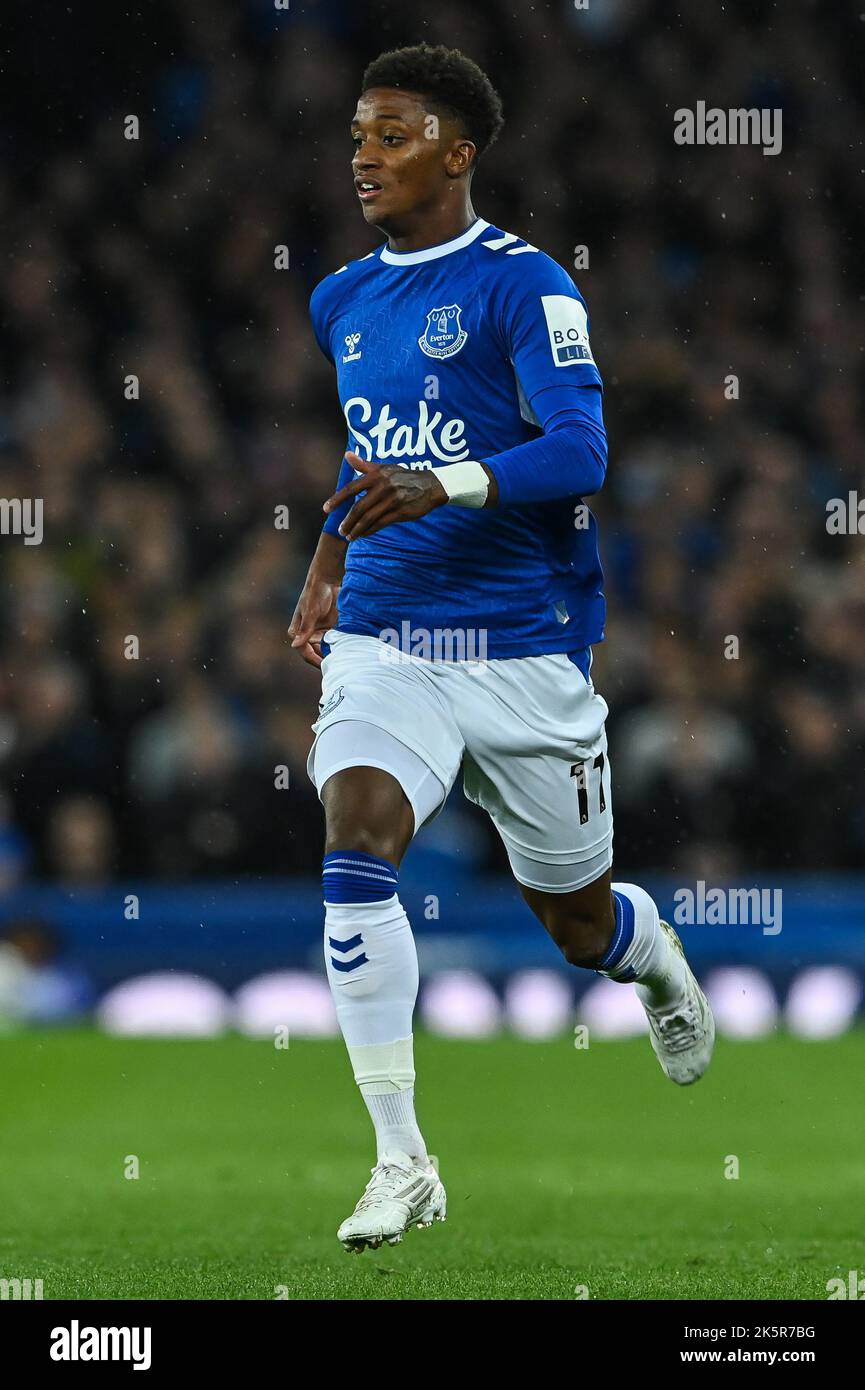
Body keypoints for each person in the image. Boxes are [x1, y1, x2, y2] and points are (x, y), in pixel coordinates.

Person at [289, 42, 714, 1254]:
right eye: (358, 133)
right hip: (390, 637)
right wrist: (327, 559)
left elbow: (581, 452)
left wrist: (452, 481)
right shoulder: (340, 299)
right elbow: (365, 454)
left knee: (576, 927)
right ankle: (401, 1159)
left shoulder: (527, 287)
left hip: (526, 654)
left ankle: (653, 959)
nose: (363, 154)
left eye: (392, 133)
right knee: (356, 842)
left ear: (457, 153)